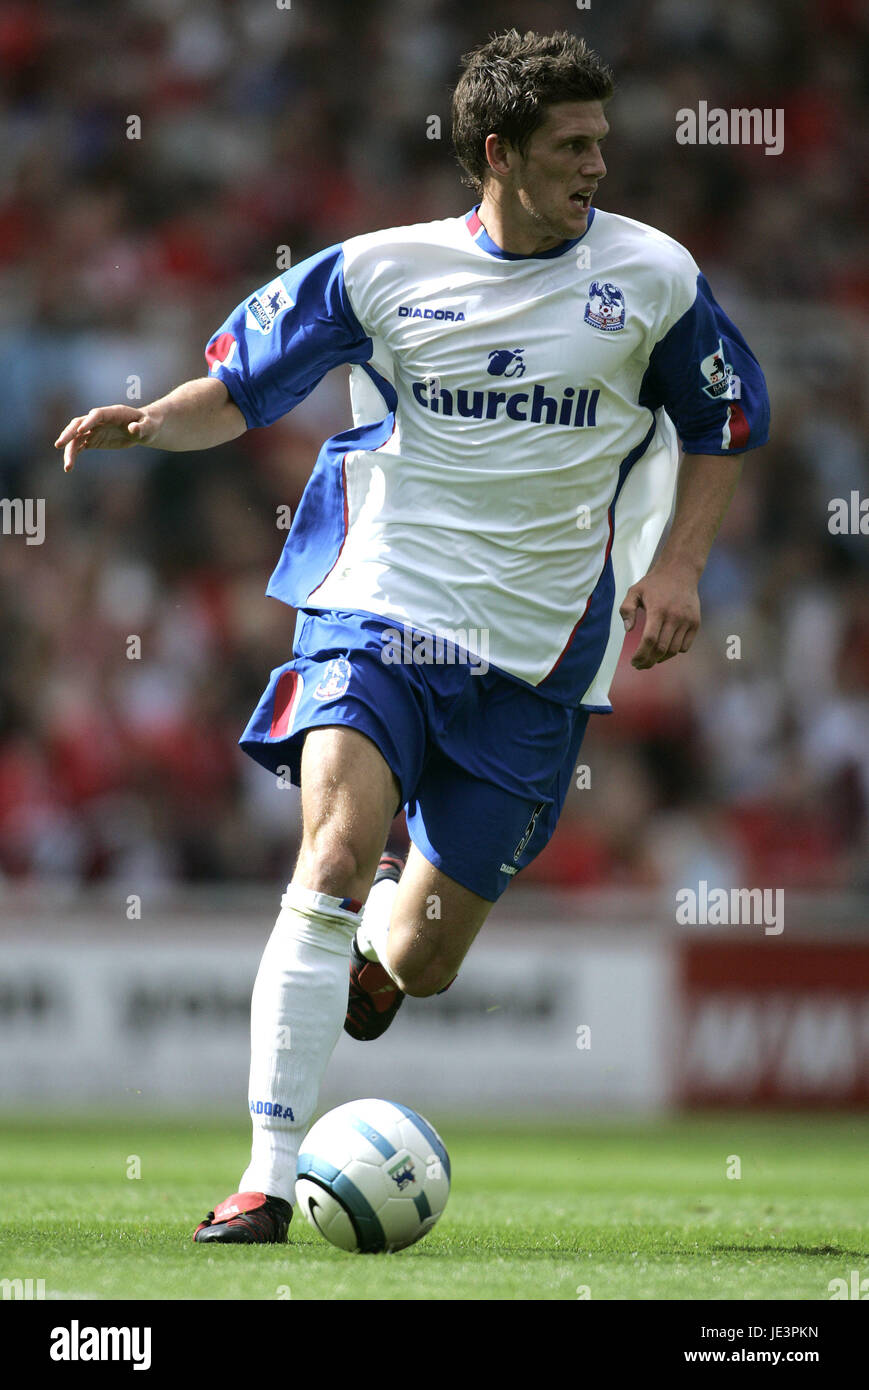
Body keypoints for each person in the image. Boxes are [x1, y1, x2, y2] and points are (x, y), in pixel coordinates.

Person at [54, 29, 769, 1244]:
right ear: (496, 153)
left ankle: (385, 957)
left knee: (425, 958)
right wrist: (148, 421)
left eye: (604, 140)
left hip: (536, 656)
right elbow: (240, 386)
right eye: (572, 145)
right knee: (330, 855)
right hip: (378, 610)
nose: (600, 164)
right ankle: (265, 1178)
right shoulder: (380, 272)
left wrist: (679, 563)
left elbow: (725, 415)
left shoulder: (650, 279)